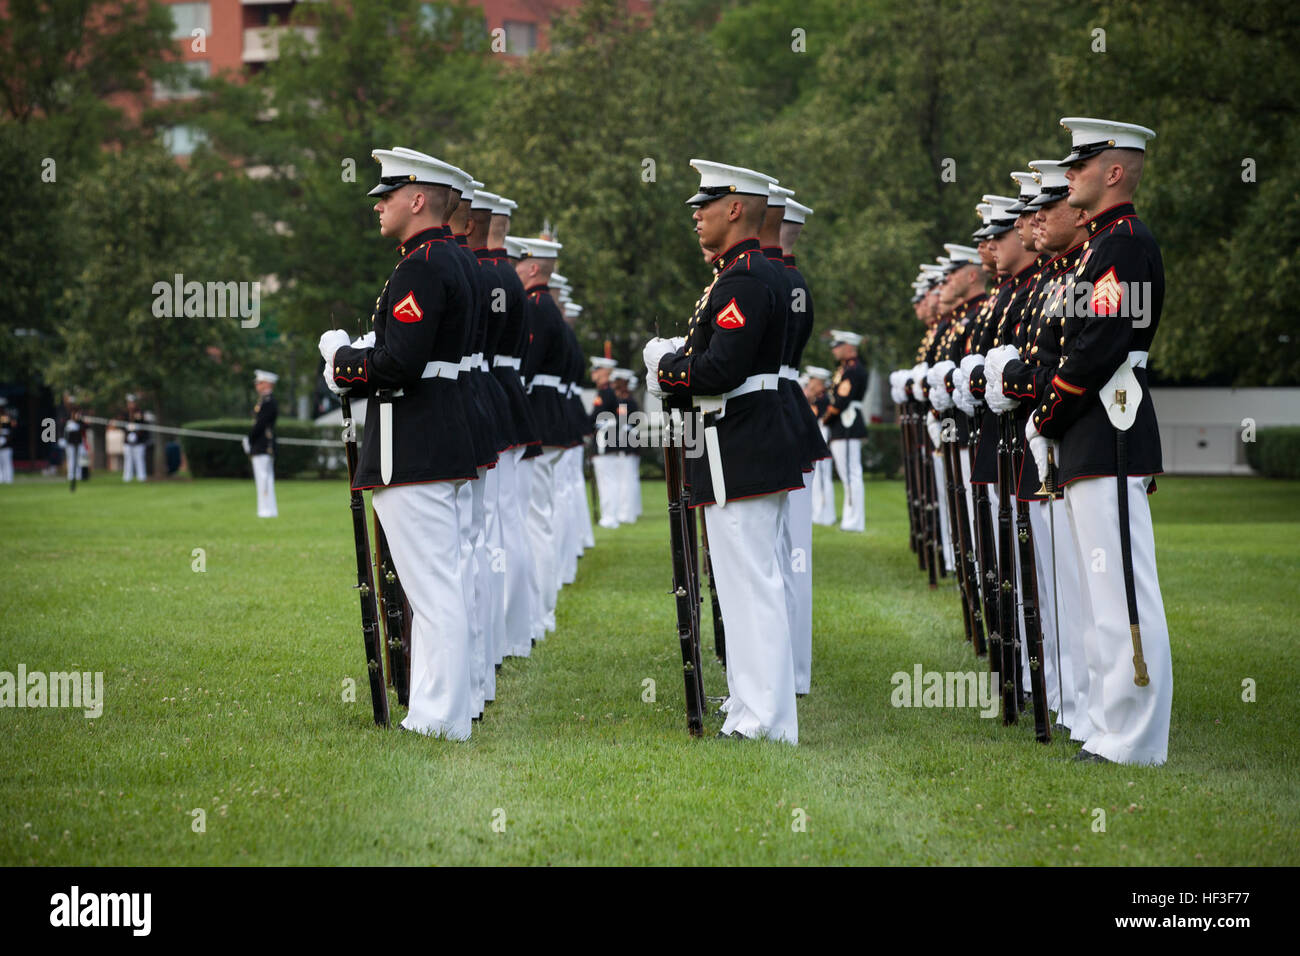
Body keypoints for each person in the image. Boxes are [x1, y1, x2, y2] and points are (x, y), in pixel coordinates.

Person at [998, 118, 1171, 765]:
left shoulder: (1124, 245)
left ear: (1116, 172)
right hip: (1091, 428)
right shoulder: (1101, 248)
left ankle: (1135, 735)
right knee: (1099, 592)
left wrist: (1045, 413)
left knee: (1123, 589)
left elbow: (1099, 346)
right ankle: (1107, 722)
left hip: (1109, 424)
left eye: (1082, 165)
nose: (1070, 176)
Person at [318, 146, 478, 740]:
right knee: (437, 584)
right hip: (435, 435)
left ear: (417, 200)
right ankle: (440, 711)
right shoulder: (452, 261)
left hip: (415, 440)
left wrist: (343, 359)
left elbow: (401, 362)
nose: (378, 206)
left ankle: (439, 717)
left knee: (431, 590)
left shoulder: (422, 266)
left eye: (386, 196)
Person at [643, 159, 805, 744]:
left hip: (742, 441)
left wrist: (667, 368)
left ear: (735, 208)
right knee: (741, 586)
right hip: (740, 440)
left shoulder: (743, 280)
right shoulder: (742, 274)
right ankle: (750, 708)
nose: (696, 215)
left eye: (705, 205)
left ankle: (765, 719)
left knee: (750, 585)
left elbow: (719, 368)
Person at [514, 236, 570, 640]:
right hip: (552, 417)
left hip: (539, 418)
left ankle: (539, 614)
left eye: (520, 262)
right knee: (540, 519)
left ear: (534, 268)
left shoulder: (535, 307)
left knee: (535, 522)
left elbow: (524, 368)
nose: (514, 268)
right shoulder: (548, 307)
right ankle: (540, 611)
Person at [823, 330, 868, 532]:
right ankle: (850, 518)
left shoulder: (853, 370)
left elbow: (841, 401)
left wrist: (825, 418)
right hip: (842, 425)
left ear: (849, 348)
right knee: (847, 474)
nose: (835, 350)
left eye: (838, 346)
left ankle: (854, 520)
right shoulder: (844, 370)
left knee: (851, 473)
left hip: (847, 424)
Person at [803, 367, 836, 525]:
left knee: (822, 477)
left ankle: (824, 514)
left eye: (812, 381)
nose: (810, 384)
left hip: (822, 432)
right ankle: (819, 512)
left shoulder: (823, 399)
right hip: (819, 430)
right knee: (819, 478)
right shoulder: (819, 398)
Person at [243, 371, 279, 518]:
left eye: (260, 382)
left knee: (263, 478)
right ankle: (268, 509)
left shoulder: (268, 402)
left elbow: (260, 425)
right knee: (265, 478)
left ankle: (266, 510)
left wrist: (250, 439)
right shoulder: (264, 401)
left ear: (268, 384)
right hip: (263, 444)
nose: (257, 385)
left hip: (262, 445)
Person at [122, 394, 148, 482]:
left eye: (132, 403)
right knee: (128, 459)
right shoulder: (125, 413)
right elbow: (121, 425)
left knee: (139, 459)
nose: (131, 405)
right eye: (129, 403)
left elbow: (144, 425)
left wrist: (137, 432)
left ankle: (141, 477)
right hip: (127, 440)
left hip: (139, 440)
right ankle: (127, 477)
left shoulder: (140, 412)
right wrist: (127, 432)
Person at [0, 399, 14, 484]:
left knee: (7, 464)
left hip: (6, 446)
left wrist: (4, 440)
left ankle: (8, 480)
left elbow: (10, 432)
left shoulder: (7, 418)